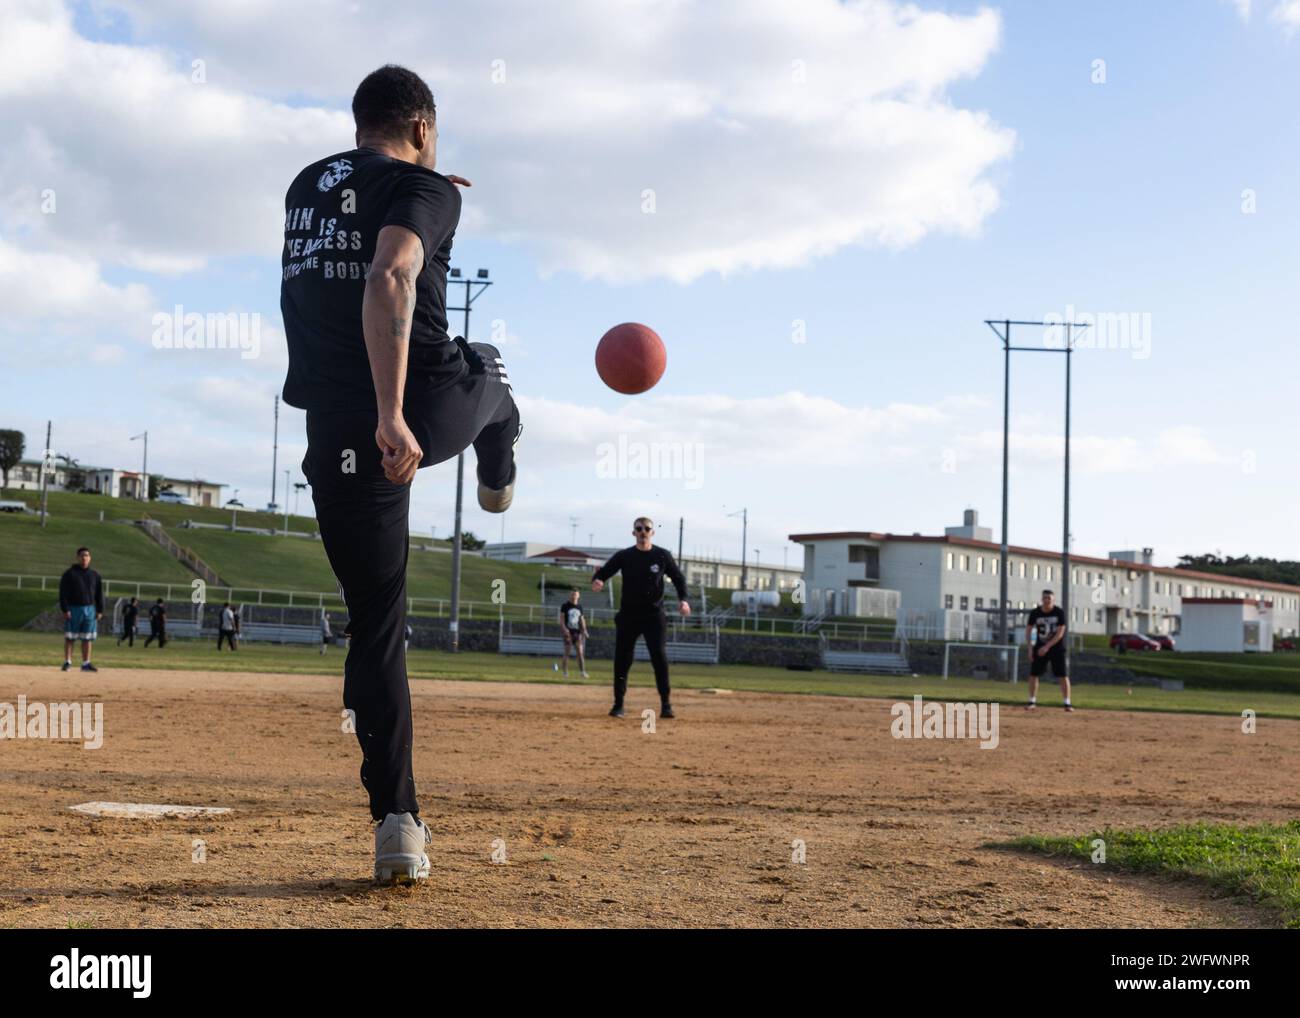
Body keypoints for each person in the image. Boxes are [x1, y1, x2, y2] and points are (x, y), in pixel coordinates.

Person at [591, 518, 690, 719]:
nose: (643, 531)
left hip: (654, 616)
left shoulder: (662, 555)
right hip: (629, 616)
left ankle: (666, 704)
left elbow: (679, 578)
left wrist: (684, 600)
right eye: (639, 529)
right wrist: (598, 580)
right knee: (622, 659)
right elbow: (605, 571)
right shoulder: (625, 555)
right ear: (633, 532)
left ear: (652, 533)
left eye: (647, 529)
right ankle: (618, 704)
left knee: (659, 658)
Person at [1025, 589, 1072, 712]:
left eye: (1049, 598)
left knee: (1062, 674)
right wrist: (1030, 648)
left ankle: (1067, 703)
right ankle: (1032, 701)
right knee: (1033, 674)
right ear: (1042, 599)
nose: (1046, 600)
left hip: (1056, 647)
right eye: (1045, 598)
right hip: (1040, 647)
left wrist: (1047, 646)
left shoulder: (1059, 612)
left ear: (1053, 600)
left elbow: (1060, 632)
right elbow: (1028, 630)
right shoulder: (1035, 613)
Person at [58, 547, 103, 672]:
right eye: (82, 555)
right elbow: (63, 593)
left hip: (90, 609)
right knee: (70, 637)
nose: (85, 557)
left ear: (90, 558)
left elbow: (99, 594)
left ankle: (86, 663)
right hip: (74, 608)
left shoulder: (95, 575)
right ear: (77, 557)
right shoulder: (69, 574)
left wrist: (100, 610)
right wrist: (65, 609)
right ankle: (67, 662)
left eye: (87, 555)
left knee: (87, 638)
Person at [553, 590, 589, 678]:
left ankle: (582, 672)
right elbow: (561, 620)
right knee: (567, 653)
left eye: (575, 594)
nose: (574, 596)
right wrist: (565, 630)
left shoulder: (580, 607)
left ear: (578, 596)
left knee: (580, 653)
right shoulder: (565, 606)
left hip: (577, 633)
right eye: (572, 594)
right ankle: (565, 673)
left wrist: (584, 630)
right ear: (570, 595)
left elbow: (582, 620)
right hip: (568, 633)